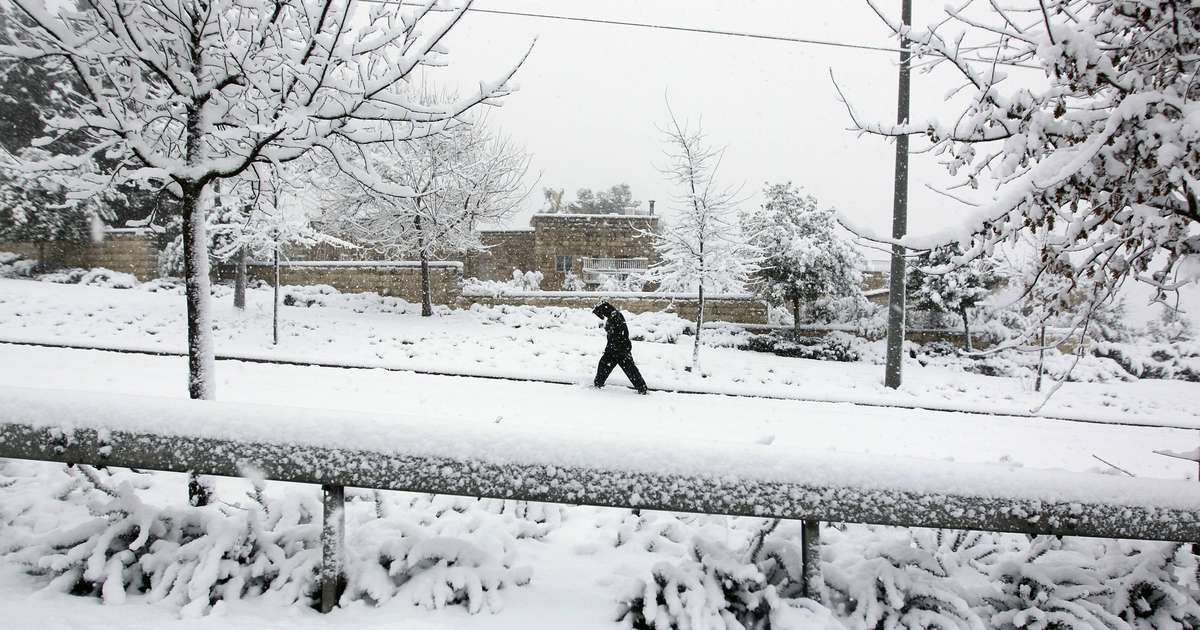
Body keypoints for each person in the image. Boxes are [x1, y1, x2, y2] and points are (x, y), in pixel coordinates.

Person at [592, 301, 649, 394]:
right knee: (604, 367)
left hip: (620, 351)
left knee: (631, 371)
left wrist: (616, 348)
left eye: (600, 313)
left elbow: (620, 335)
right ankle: (597, 385)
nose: (601, 317)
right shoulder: (613, 316)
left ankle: (642, 389)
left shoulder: (615, 317)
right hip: (615, 350)